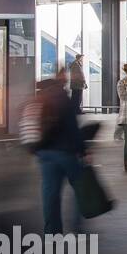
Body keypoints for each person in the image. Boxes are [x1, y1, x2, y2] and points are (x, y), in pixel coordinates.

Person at [32, 71, 86, 235]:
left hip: (45, 153)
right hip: (65, 153)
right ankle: (76, 227)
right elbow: (73, 128)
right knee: (80, 187)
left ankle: (52, 231)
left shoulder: (40, 99)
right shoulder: (63, 98)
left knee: (50, 194)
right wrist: (83, 150)